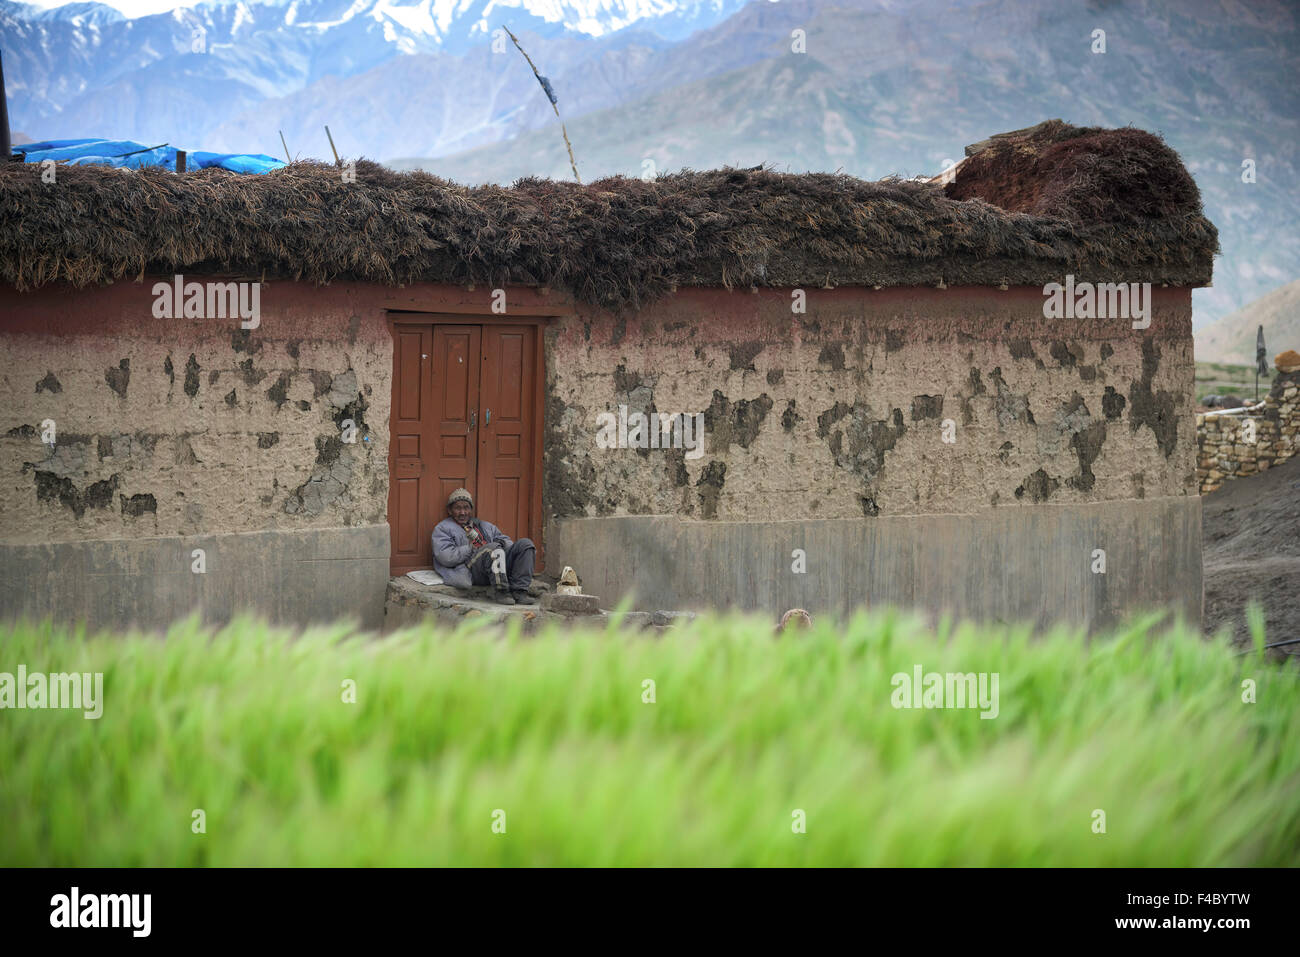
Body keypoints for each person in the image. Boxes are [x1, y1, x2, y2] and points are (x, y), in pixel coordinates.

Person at [432, 488, 536, 605]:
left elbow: (507, 542)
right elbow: (446, 557)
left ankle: (520, 591)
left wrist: (500, 544)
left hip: (497, 564)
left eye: (466, 507)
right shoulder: (443, 529)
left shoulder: (484, 525)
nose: (462, 512)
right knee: (492, 549)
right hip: (471, 569)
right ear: (450, 511)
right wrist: (471, 548)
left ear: (471, 509)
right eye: (458, 508)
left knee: (526, 545)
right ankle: (502, 592)